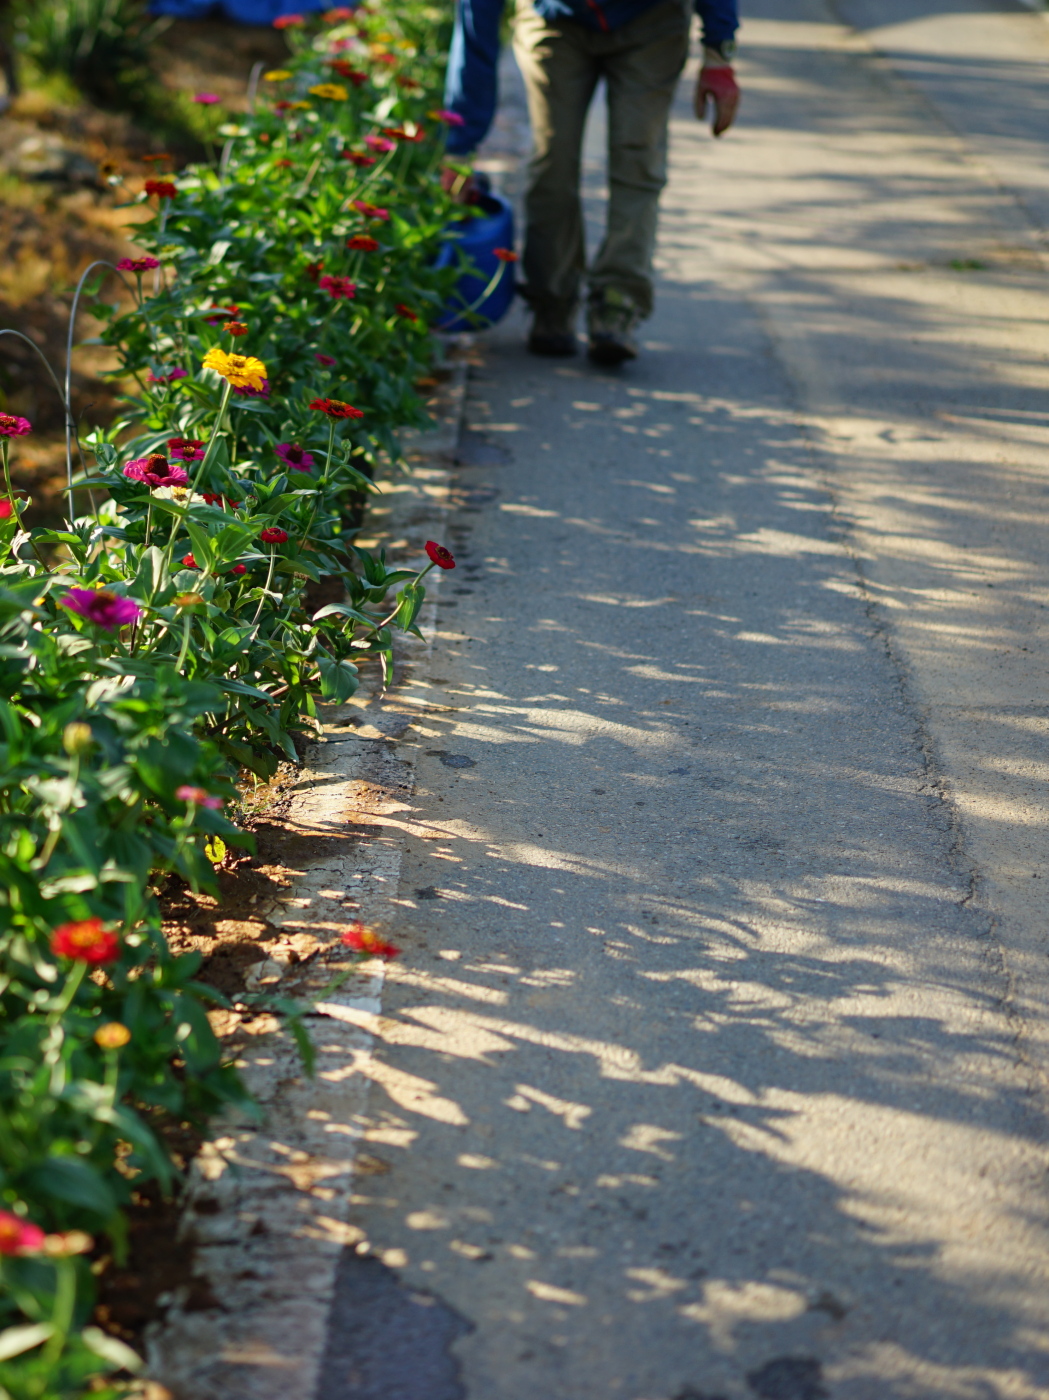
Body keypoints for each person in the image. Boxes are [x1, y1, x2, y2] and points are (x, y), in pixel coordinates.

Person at [443, 0, 740, 364]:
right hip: (554, 17)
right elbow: (477, 20)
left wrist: (718, 52)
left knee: (638, 159)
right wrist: (460, 146)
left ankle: (618, 302)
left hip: (652, 19)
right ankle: (551, 302)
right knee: (553, 159)